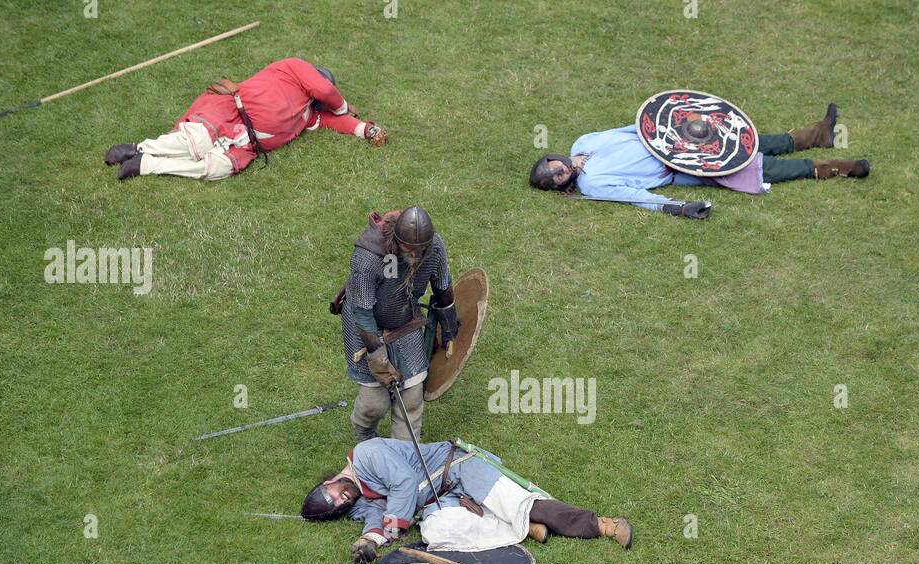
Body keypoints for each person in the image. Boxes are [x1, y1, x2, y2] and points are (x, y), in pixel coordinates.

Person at [301, 437, 634, 563]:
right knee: (441, 537)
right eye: (341, 504)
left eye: (336, 492)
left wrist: (394, 525)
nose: (344, 497)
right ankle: (527, 530)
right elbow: (377, 512)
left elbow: (403, 483)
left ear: (329, 480)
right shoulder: (360, 493)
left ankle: (602, 525)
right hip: (440, 499)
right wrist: (370, 539)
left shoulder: (367, 454)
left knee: (520, 502)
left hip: (459, 468)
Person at [529, 103, 868, 218]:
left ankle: (818, 134)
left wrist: (669, 120)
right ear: (559, 186)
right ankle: (843, 169)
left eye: (553, 165)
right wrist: (676, 206)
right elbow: (637, 197)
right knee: (757, 167)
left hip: (674, 139)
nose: (560, 171)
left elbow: (630, 130)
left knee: (742, 140)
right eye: (554, 178)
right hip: (678, 168)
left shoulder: (583, 142)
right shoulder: (592, 185)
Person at [103, 59, 387, 181]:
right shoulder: (294, 68)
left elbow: (335, 122)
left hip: (247, 145)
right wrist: (343, 105)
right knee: (197, 141)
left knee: (215, 169)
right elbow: (326, 92)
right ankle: (139, 147)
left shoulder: (308, 115)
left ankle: (147, 165)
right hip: (232, 110)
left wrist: (366, 129)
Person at [336, 206, 458, 443]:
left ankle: (404, 455)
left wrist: (450, 326)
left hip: (405, 321)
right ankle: (365, 439)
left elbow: (443, 287)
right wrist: (377, 356)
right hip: (366, 328)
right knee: (375, 402)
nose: (415, 253)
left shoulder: (433, 247)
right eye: (409, 248)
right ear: (395, 238)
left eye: (420, 249)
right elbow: (362, 311)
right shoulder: (369, 256)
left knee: (411, 399)